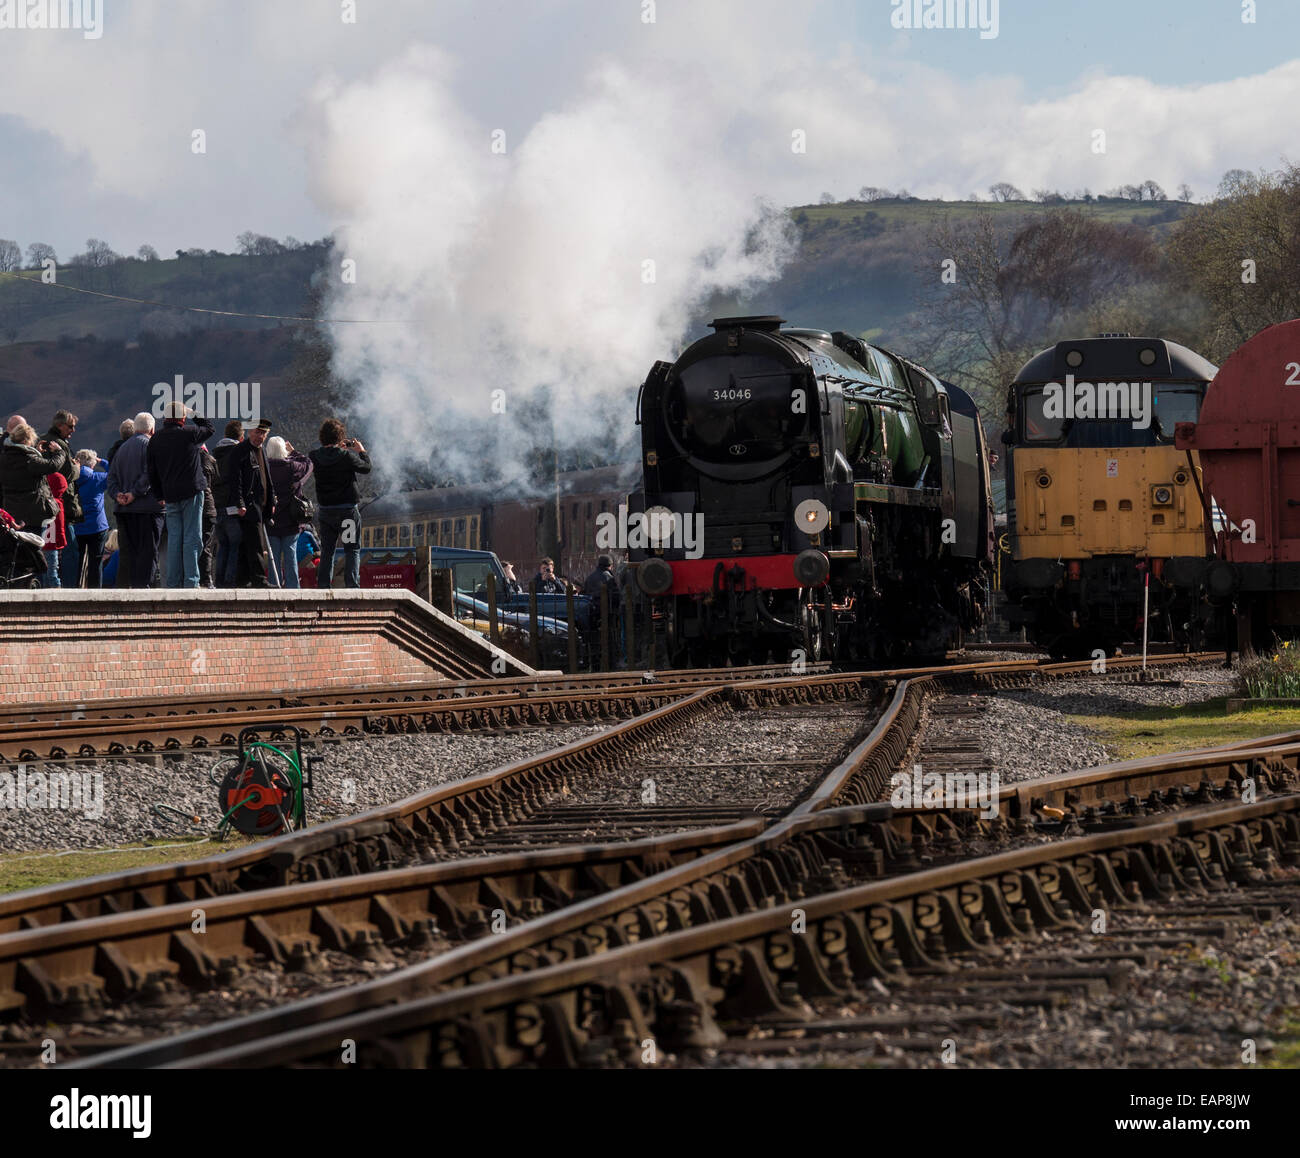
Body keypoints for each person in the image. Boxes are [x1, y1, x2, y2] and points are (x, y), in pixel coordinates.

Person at [146, 401, 215, 588]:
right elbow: (209, 428)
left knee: (175, 538)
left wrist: (159, 494)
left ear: (166, 417)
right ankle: (191, 581)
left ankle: (173, 582)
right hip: (191, 491)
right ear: (183, 418)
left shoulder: (156, 439)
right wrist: (195, 412)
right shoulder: (190, 434)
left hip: (170, 494)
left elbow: (151, 471)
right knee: (192, 537)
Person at [309, 418, 370, 589]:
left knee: (328, 550)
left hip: (326, 512)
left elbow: (323, 456)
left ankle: (323, 585)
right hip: (346, 512)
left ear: (322, 437)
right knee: (351, 549)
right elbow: (366, 467)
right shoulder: (346, 457)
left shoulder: (314, 456)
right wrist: (361, 451)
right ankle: (351, 585)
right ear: (340, 438)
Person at [105, 413, 163, 588]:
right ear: (152, 429)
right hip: (147, 509)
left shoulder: (121, 448)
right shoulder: (152, 447)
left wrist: (118, 495)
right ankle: (143, 591)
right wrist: (135, 493)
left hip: (123, 510)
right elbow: (150, 474)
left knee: (128, 554)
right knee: (148, 553)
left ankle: (127, 591)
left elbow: (111, 478)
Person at [0, 425, 63, 553]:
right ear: (25, 441)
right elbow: (52, 465)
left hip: (11, 510)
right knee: (33, 551)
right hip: (33, 512)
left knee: (15, 552)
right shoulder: (30, 460)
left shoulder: (4, 458)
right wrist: (59, 452)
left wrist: (35, 452)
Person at [265, 435, 313, 588]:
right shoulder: (292, 466)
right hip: (291, 520)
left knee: (274, 558)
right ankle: (293, 587)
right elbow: (309, 464)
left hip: (271, 520)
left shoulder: (265, 468)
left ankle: (275, 585)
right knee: (290, 556)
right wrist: (294, 452)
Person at [231, 418, 274, 587]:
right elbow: (236, 479)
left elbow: (267, 479)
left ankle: (242, 579)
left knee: (246, 544)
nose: (260, 436)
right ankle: (259, 580)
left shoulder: (262, 451)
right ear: (249, 432)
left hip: (261, 505)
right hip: (249, 505)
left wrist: (271, 501)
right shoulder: (240, 451)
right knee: (256, 543)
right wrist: (239, 503)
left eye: (263, 433)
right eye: (257, 432)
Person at [44, 411, 81, 588]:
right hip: (62, 504)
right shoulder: (59, 445)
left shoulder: (45, 441)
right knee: (69, 550)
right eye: (70, 426)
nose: (73, 430)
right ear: (60, 425)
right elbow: (67, 473)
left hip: (47, 505)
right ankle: (69, 589)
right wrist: (77, 467)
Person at [70, 449, 110, 587]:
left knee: (77, 562)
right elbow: (116, 473)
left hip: (77, 526)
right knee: (96, 562)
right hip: (97, 526)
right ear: (92, 464)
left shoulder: (71, 479)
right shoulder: (98, 478)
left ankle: (75, 590)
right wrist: (103, 462)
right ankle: (95, 594)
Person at [211, 421, 244, 586]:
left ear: (225, 436)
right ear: (241, 437)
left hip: (217, 506)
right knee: (234, 546)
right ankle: (230, 581)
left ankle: (219, 580)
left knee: (222, 545)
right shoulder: (238, 453)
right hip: (232, 506)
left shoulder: (215, 453)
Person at [41, 470, 68, 586]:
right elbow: (60, 526)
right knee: (53, 571)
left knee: (43, 572)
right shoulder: (57, 504)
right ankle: (57, 595)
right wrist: (61, 542)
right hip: (52, 544)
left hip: (41, 542)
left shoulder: (41, 501)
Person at [198, 444, 218, 587]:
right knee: (207, 545)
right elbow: (216, 483)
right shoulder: (211, 460)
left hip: (194, 508)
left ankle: (194, 577)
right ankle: (206, 578)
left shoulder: (189, 460)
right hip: (209, 508)